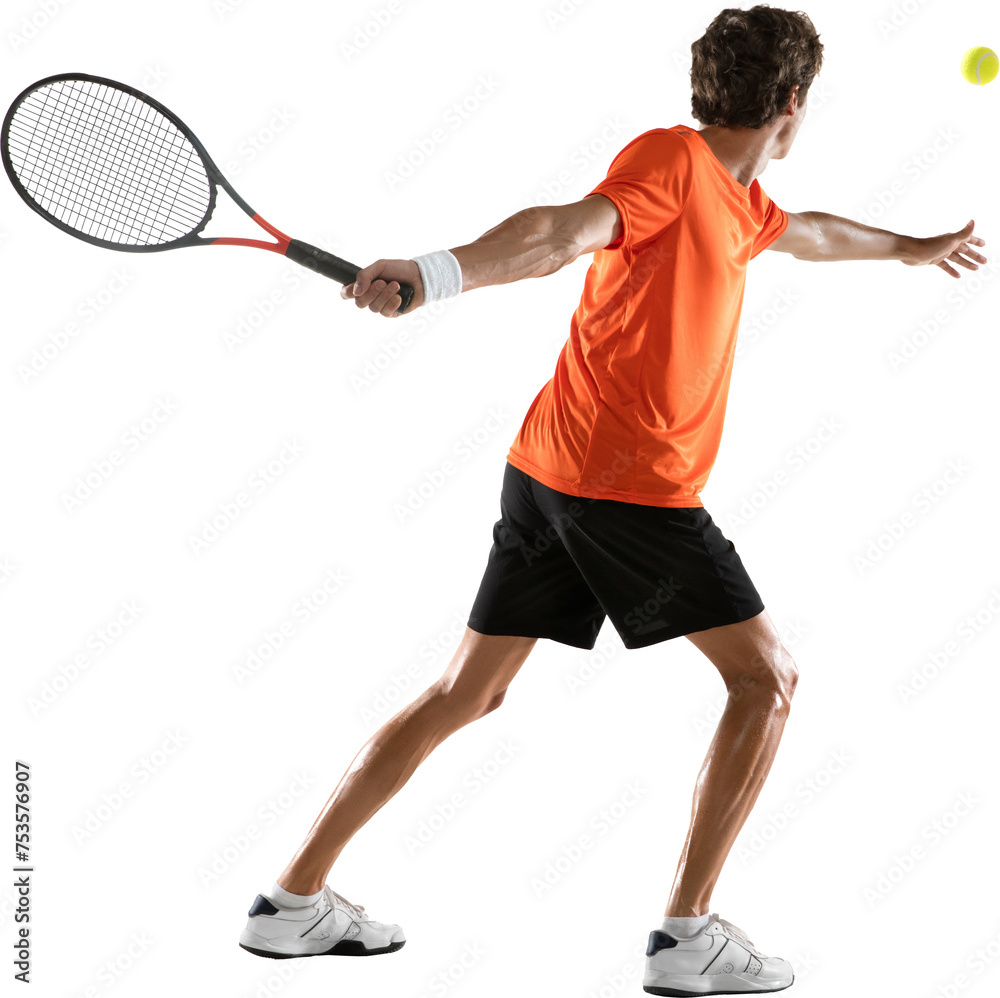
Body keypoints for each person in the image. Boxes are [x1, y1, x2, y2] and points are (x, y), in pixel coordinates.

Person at [238, 5, 987, 994]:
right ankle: (687, 934)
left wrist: (907, 246)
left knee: (470, 690)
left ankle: (291, 902)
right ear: (793, 103)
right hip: (625, 490)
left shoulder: (734, 198)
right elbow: (561, 231)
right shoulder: (672, 166)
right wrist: (433, 272)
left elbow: (806, 232)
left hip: (547, 470)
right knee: (768, 681)